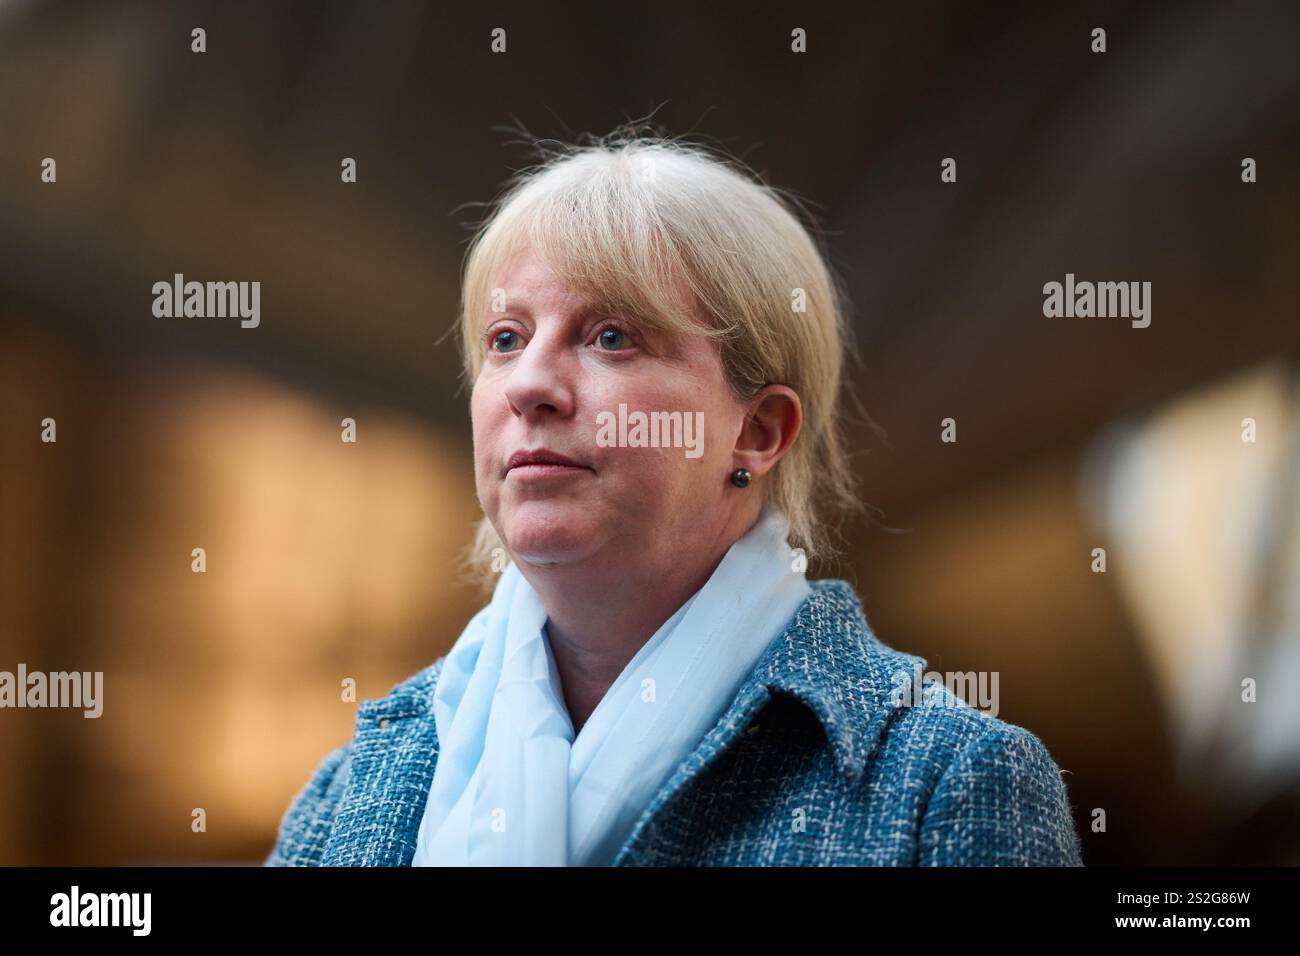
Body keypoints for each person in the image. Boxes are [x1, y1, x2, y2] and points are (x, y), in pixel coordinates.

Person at [265, 127, 1084, 866]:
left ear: (757, 431)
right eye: (505, 339)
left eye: (611, 337)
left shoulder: (949, 783)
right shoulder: (354, 788)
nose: (529, 385)